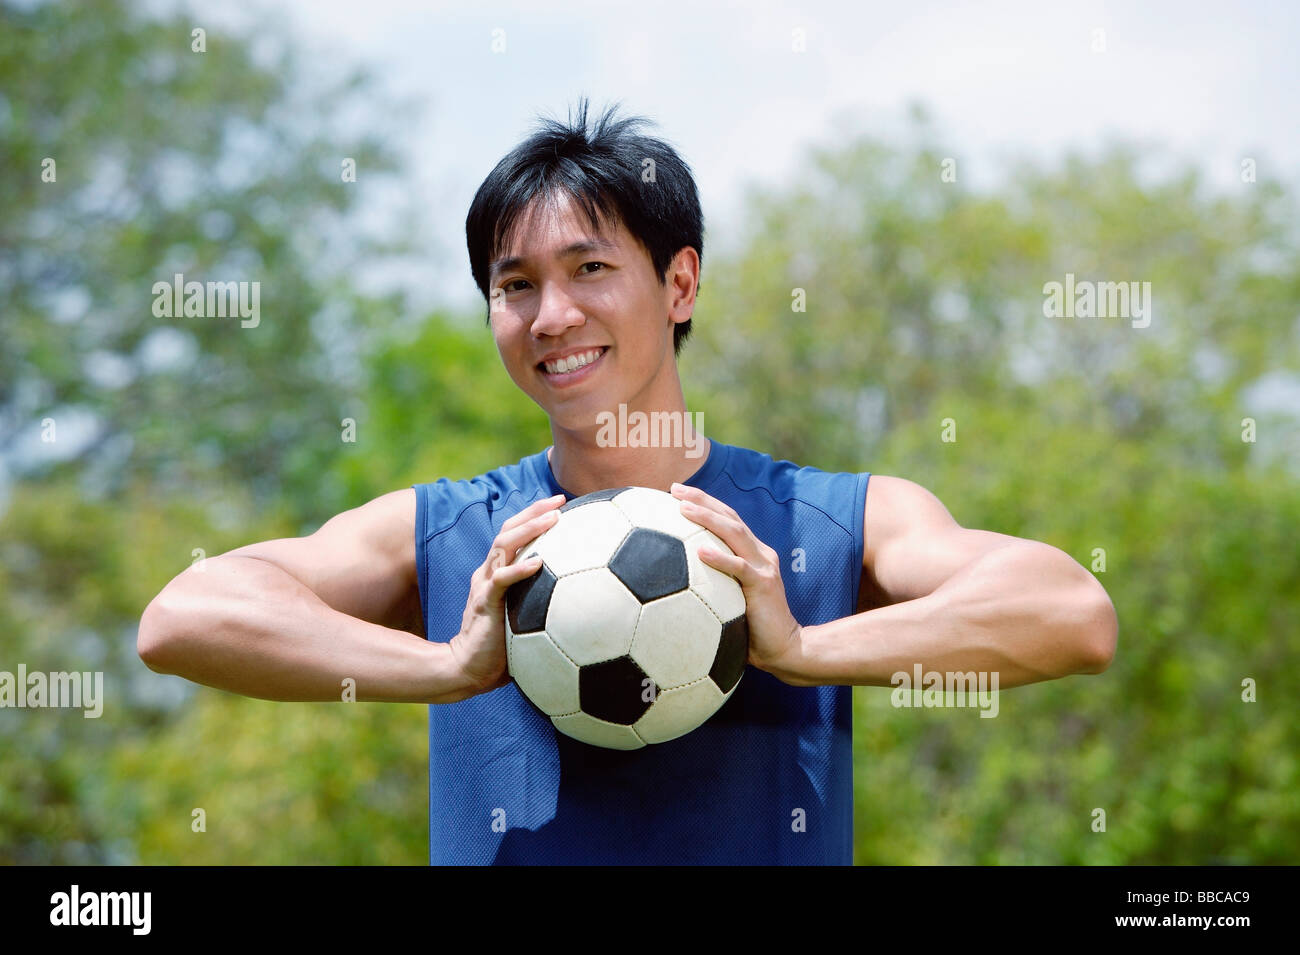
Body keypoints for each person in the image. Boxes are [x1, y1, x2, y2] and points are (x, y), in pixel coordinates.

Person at [138, 98, 1118, 865]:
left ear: (679, 283)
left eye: (590, 268)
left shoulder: (825, 520)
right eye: (513, 284)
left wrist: (803, 646)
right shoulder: (451, 534)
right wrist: (447, 668)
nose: (550, 315)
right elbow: (185, 616)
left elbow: (1071, 611)